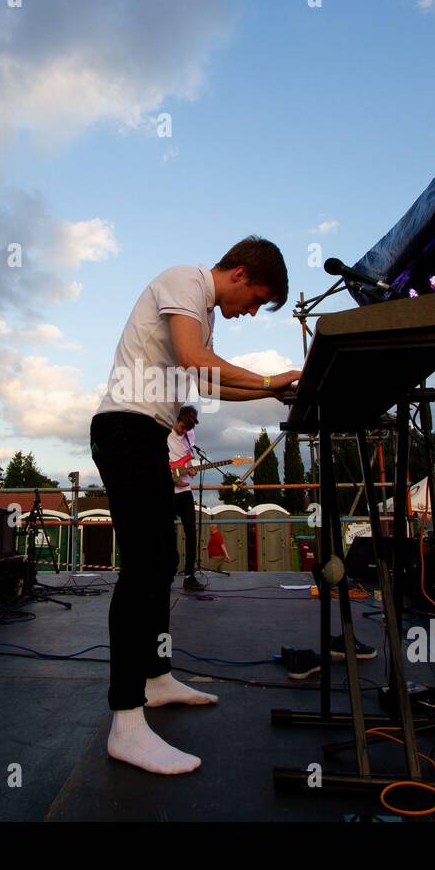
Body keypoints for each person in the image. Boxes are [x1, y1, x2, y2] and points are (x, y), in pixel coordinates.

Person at [90, 236, 298, 775]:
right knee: (141, 569)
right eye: (255, 299)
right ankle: (125, 721)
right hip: (124, 431)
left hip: (148, 436)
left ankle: (156, 679)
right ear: (241, 274)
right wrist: (272, 378)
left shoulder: (202, 317)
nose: (250, 311)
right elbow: (194, 359)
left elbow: (206, 379)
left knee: (163, 563)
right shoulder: (184, 278)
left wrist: (272, 392)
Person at [166, 405, 204, 591]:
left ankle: (189, 575)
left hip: (185, 491)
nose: (184, 431)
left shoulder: (190, 436)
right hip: (166, 490)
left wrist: (190, 469)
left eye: (187, 429)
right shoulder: (164, 432)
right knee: (166, 533)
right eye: (182, 427)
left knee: (191, 532)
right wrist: (172, 476)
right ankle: (168, 569)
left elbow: (187, 459)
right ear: (176, 420)